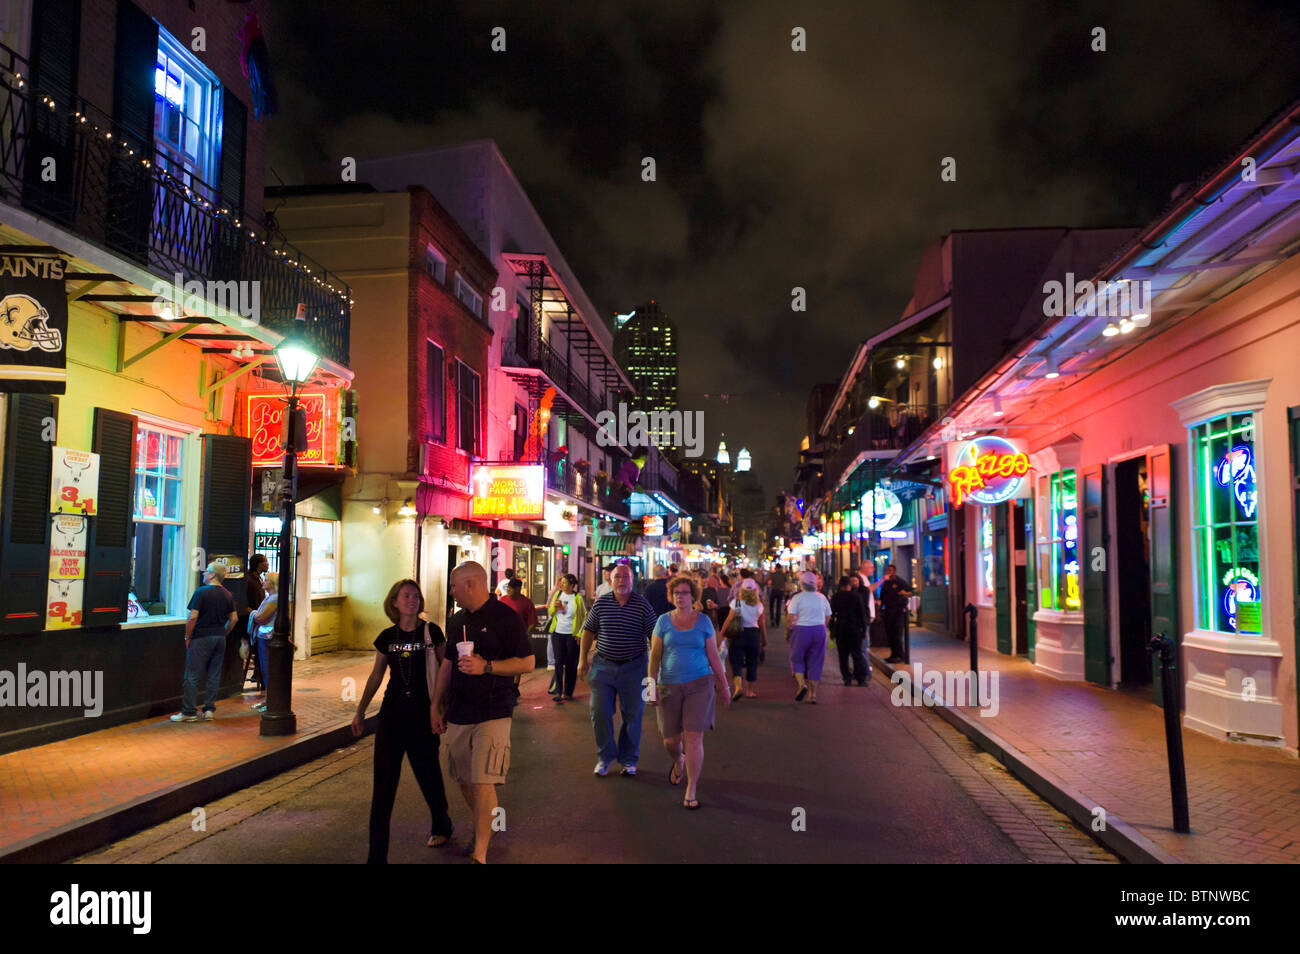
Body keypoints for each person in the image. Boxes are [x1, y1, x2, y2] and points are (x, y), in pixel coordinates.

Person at [431, 562, 535, 864]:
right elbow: (448, 664)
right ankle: (484, 825)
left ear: (470, 585)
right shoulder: (456, 620)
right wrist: (435, 704)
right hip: (460, 710)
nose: (451, 591)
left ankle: (480, 853)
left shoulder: (506, 617)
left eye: (454, 586)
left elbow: (527, 662)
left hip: (495, 709)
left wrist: (486, 667)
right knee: (464, 778)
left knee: (482, 780)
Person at [351, 579, 453, 863]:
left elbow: (446, 670)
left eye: (416, 596)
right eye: (406, 596)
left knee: (428, 775)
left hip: (424, 715)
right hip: (392, 716)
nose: (412, 600)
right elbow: (376, 675)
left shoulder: (431, 632)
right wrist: (359, 710)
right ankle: (376, 856)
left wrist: (441, 708)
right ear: (394, 602)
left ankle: (442, 823)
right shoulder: (387, 637)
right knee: (383, 787)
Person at [649, 574, 730, 809]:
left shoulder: (704, 622)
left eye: (684, 593)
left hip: (700, 684)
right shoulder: (663, 621)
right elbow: (654, 657)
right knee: (670, 740)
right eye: (676, 593)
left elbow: (714, 656)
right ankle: (678, 759)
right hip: (669, 684)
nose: (680, 597)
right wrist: (649, 686)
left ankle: (691, 787)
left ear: (693, 596)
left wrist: (724, 685)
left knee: (694, 737)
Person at [579, 563, 658, 776]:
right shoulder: (601, 603)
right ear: (610, 581)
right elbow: (588, 630)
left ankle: (629, 759)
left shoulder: (642, 605)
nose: (622, 580)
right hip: (603, 666)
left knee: (634, 715)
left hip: (635, 667)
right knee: (599, 712)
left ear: (633, 581)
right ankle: (605, 757)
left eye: (626, 577)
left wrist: (655, 668)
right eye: (618, 577)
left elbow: (654, 637)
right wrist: (582, 660)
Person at [171, 563, 237, 722]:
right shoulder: (228, 594)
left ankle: (189, 712)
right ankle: (209, 711)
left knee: (192, 675)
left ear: (213, 575)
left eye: (206, 571)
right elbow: (234, 619)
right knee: (214, 675)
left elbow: (193, 617)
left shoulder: (201, 592)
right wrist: (224, 632)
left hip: (201, 637)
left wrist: (187, 636)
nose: (203, 574)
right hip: (220, 638)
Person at [785, 571, 832, 703]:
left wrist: (788, 631)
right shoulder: (822, 597)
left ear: (801, 584)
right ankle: (813, 695)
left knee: (797, 658)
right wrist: (822, 625)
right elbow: (828, 616)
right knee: (816, 661)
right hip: (819, 630)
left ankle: (801, 685)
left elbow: (790, 617)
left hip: (801, 629)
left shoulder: (797, 598)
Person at [717, 578, 766, 700]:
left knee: (736, 661)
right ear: (755, 591)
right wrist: (764, 639)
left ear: (741, 590)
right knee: (752, 663)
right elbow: (761, 624)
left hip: (738, 634)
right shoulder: (759, 605)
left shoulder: (736, 603)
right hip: (753, 634)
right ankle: (750, 691)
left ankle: (738, 687)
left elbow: (729, 619)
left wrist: (722, 633)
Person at [546, 574, 586, 703]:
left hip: (572, 635)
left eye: (564, 583)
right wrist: (555, 607)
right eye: (561, 582)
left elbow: (584, 617)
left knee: (571, 664)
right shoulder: (558, 595)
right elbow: (550, 612)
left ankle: (568, 692)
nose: (561, 585)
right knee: (558, 663)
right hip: (558, 633)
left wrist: (579, 634)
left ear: (571, 585)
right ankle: (558, 691)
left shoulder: (578, 598)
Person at [248, 571, 280, 712]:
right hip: (264, 636)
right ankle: (268, 698)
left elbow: (261, 617)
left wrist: (253, 614)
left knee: (268, 669)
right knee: (265, 668)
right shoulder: (270, 598)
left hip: (268, 637)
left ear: (272, 584)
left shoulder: (274, 599)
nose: (263, 582)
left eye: (266, 580)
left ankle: (271, 700)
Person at [830, 576, 870, 686]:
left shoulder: (836, 597)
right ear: (849, 585)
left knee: (843, 655)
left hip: (841, 629)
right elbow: (862, 614)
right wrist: (863, 629)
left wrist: (832, 630)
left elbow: (832, 614)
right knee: (857, 654)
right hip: (854, 628)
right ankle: (861, 678)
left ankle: (846, 678)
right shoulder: (856, 596)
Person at [874, 564, 915, 664]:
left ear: (894, 571)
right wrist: (879, 610)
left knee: (897, 633)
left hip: (898, 611)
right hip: (888, 611)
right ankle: (893, 654)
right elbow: (882, 598)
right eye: (887, 570)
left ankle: (900, 655)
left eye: (891, 570)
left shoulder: (899, 581)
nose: (889, 572)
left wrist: (904, 593)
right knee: (890, 634)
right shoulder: (885, 583)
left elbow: (912, 592)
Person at [243, 554, 269, 688]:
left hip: (258, 619)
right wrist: (255, 614)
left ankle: (258, 674)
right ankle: (260, 675)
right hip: (253, 621)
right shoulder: (249, 580)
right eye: (265, 561)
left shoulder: (259, 579)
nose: (268, 564)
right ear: (258, 564)